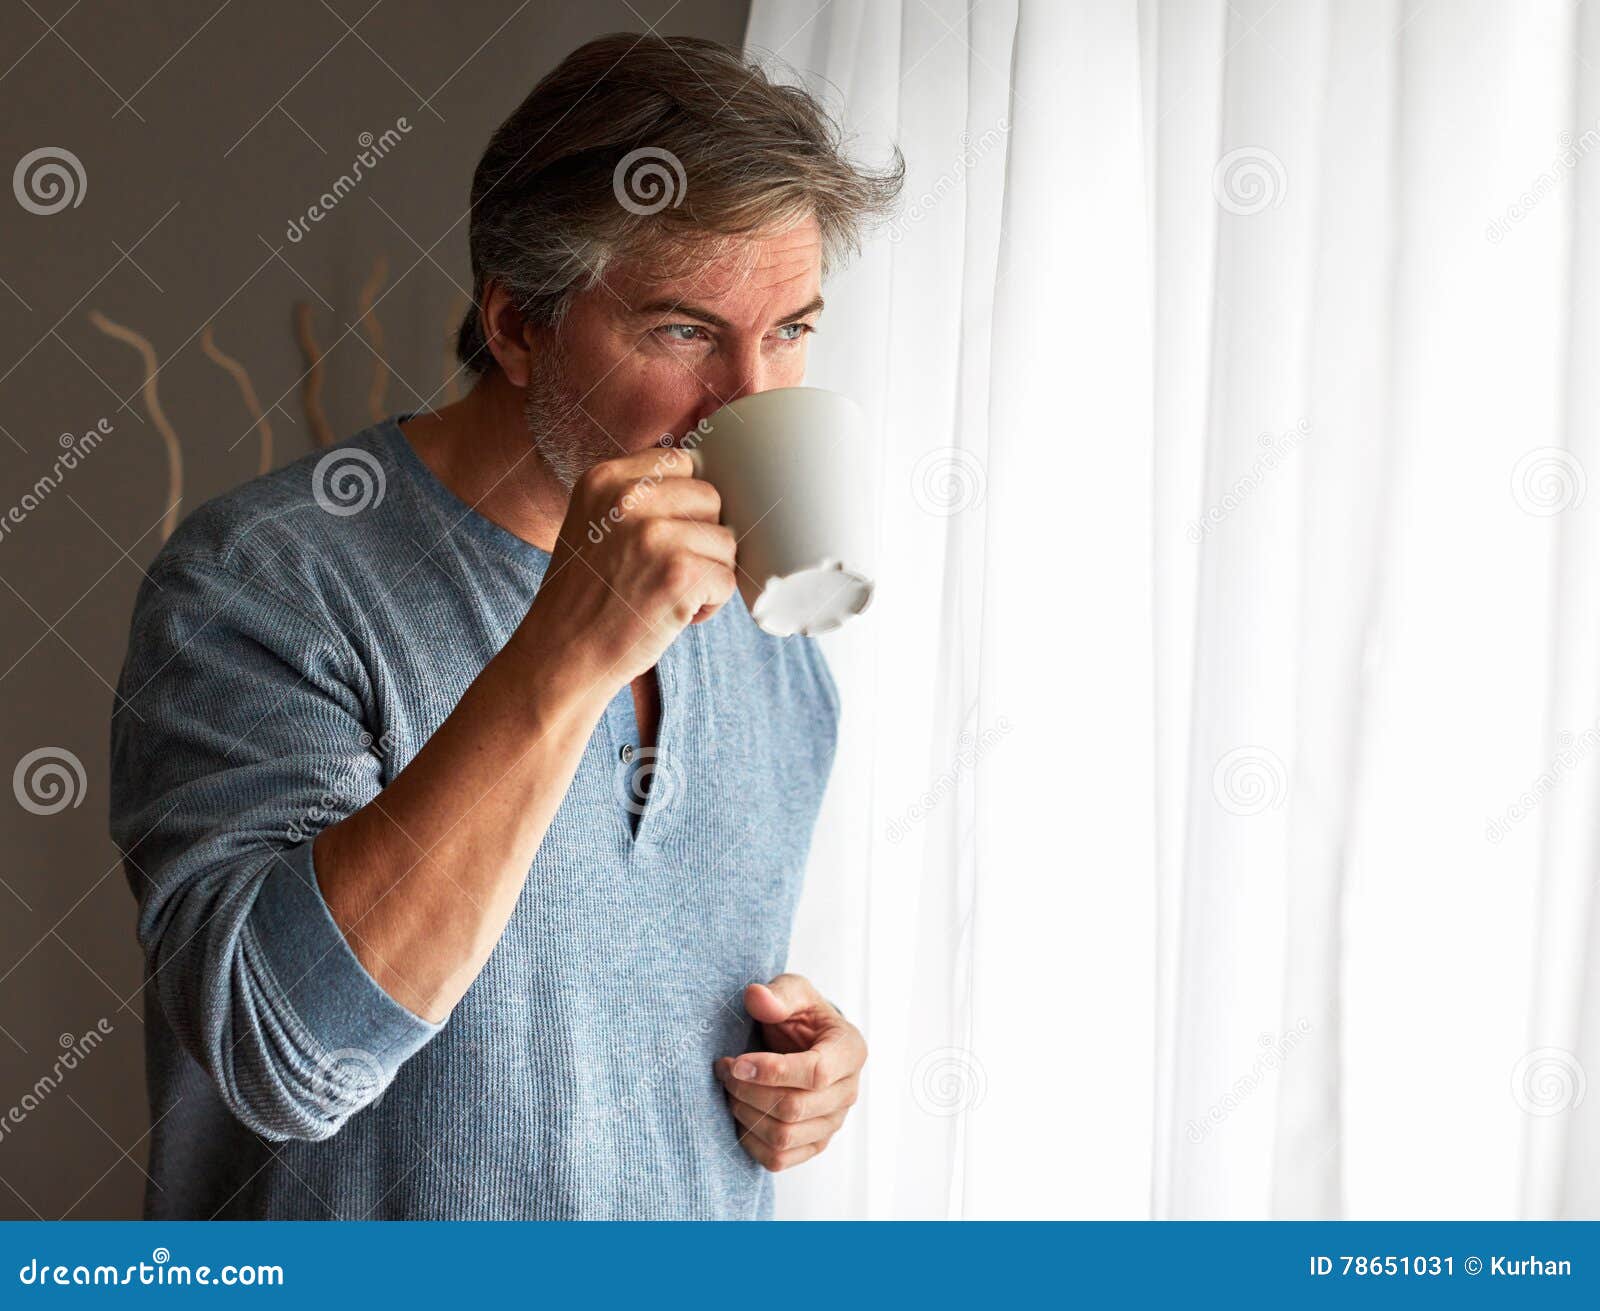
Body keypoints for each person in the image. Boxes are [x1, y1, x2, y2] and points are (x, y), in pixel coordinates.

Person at [108, 31, 902, 1220]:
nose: (746, 395)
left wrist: (801, 1078)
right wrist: (564, 656)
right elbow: (278, 1052)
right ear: (521, 325)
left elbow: (591, 1017)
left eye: (789, 329)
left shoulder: (773, 641)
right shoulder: (266, 582)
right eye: (683, 330)